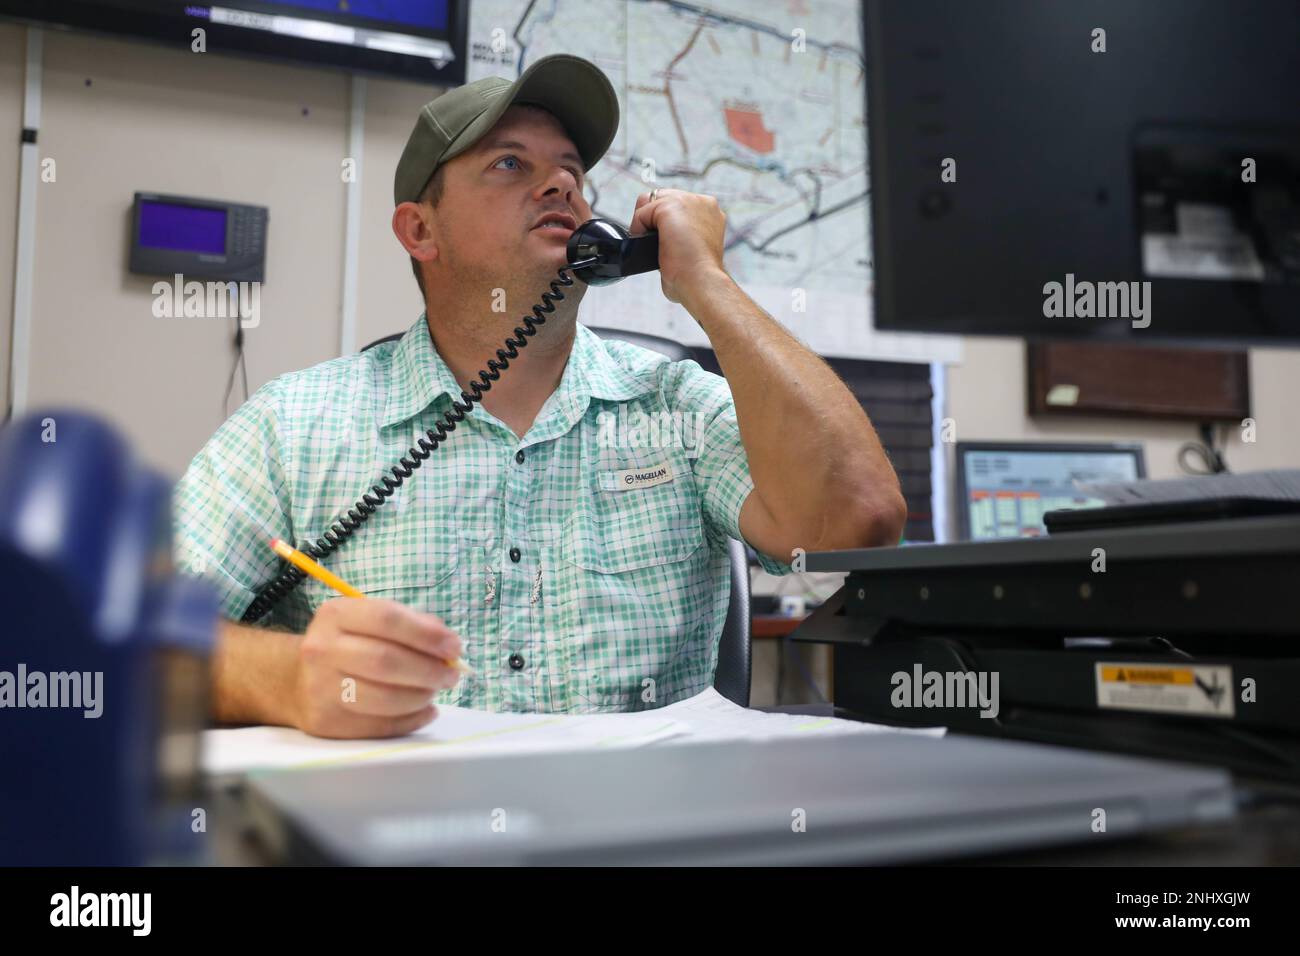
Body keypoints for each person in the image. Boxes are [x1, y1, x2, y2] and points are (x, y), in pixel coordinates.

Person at [174, 54, 905, 738]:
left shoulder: (675, 404)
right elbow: (129, 638)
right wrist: (288, 679)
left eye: (572, 171)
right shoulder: (295, 424)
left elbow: (856, 519)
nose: (562, 187)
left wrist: (705, 283)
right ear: (419, 230)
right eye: (510, 164)